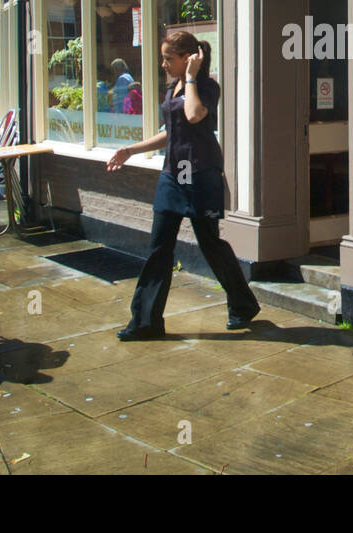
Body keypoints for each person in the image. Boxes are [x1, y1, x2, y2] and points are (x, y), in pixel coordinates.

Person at [106, 31, 259, 340]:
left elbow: (193, 115)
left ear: (187, 58)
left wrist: (191, 77)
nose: (163, 64)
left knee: (210, 244)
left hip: (201, 175)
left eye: (167, 58)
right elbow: (171, 132)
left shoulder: (206, 86)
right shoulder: (172, 86)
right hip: (173, 174)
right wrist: (131, 150)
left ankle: (242, 304)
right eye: (162, 58)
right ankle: (145, 322)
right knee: (159, 247)